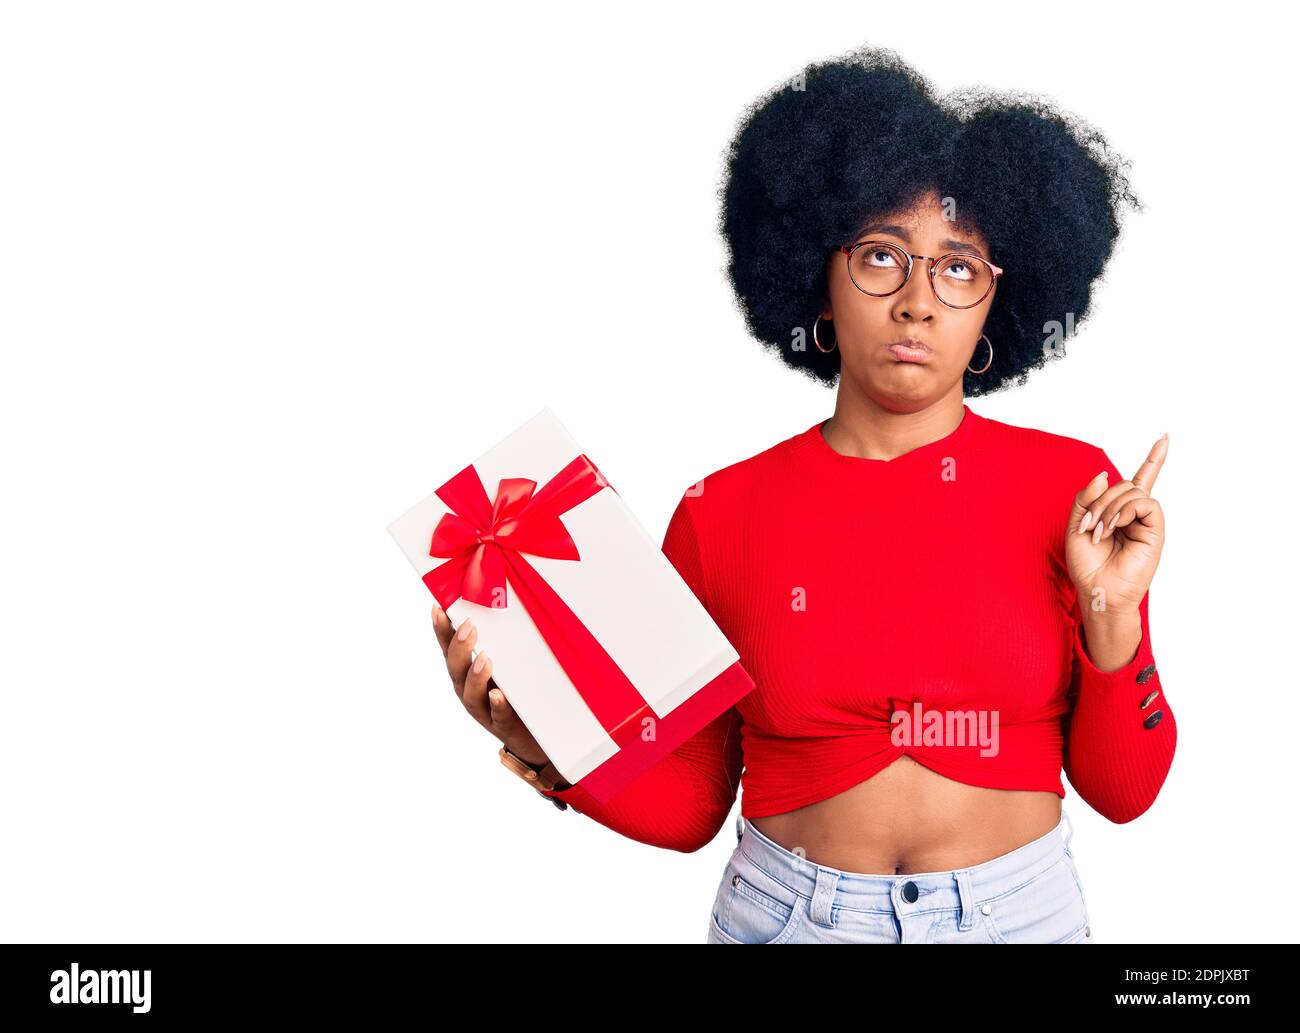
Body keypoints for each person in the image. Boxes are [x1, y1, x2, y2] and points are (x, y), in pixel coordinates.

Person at [432, 45, 1176, 943]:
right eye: (880, 256)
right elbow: (694, 803)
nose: (917, 302)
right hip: (788, 920)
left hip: (1019, 919)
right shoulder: (722, 513)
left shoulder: (1071, 487)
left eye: (959, 267)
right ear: (817, 274)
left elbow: (1124, 792)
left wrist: (1113, 617)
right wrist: (556, 753)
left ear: (995, 305)